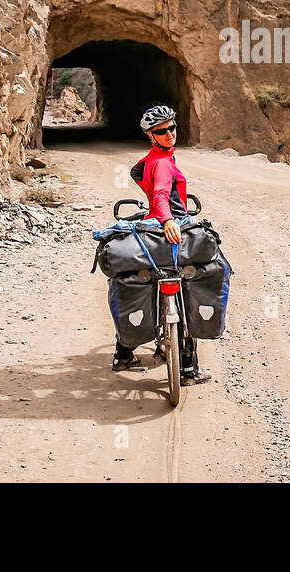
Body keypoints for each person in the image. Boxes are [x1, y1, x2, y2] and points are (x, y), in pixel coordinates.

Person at [111, 105, 212, 386]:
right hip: (171, 225)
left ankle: (123, 353)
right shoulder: (164, 163)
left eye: (172, 128)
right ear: (150, 136)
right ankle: (189, 369)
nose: (169, 134)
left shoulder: (153, 159)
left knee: (138, 279)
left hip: (150, 227)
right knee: (188, 283)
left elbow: (141, 176)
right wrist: (168, 219)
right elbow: (160, 194)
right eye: (161, 131)